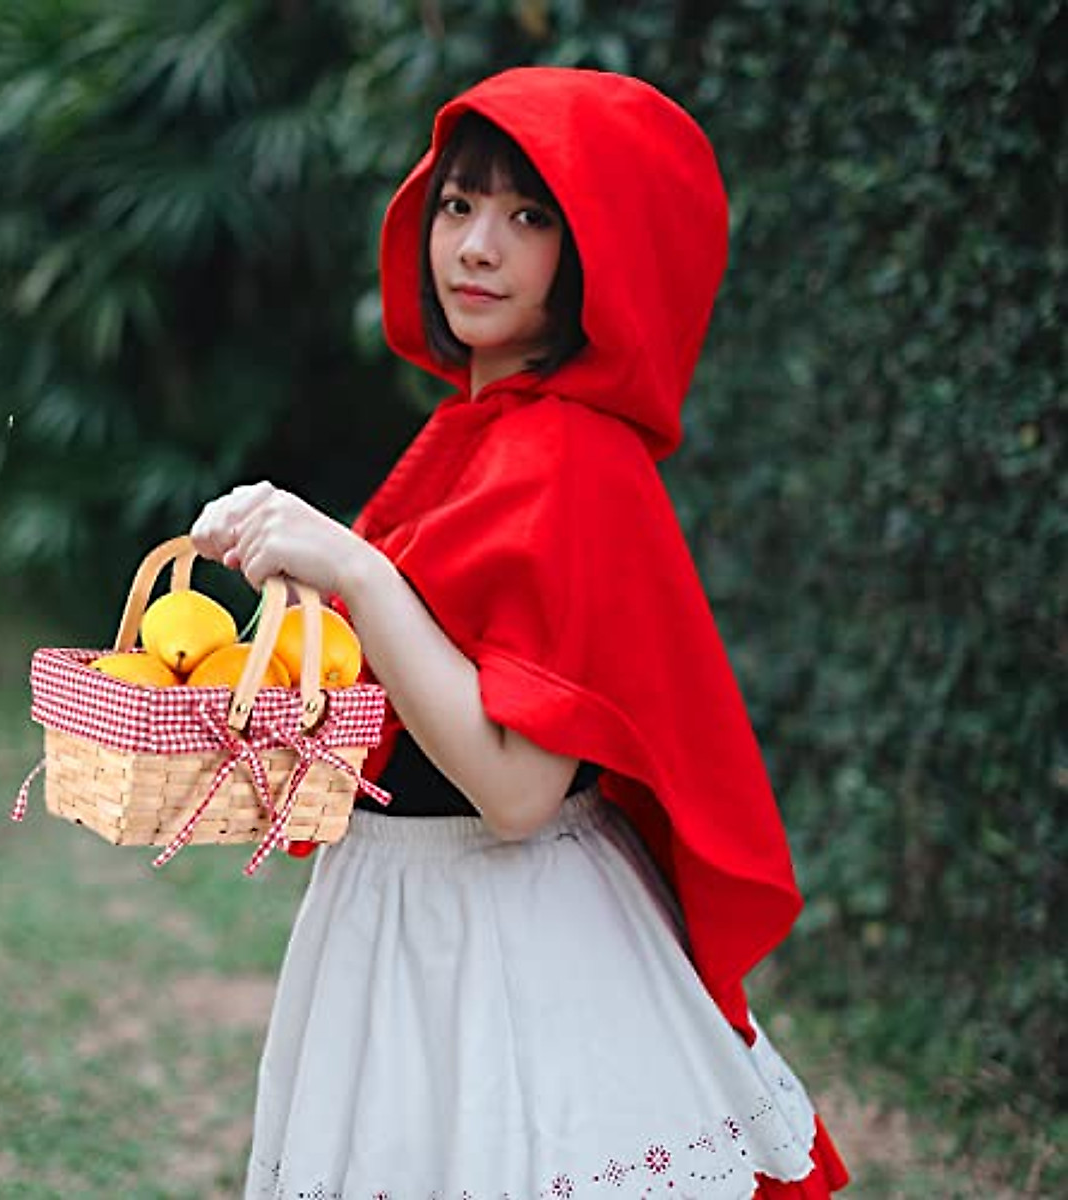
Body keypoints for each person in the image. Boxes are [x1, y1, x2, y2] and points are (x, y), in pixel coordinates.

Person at [191, 66, 850, 1199]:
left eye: (527, 216)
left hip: (507, 940)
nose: (476, 246)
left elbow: (515, 791)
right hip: (401, 914)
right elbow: (396, 692)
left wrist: (348, 558)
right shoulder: (475, 440)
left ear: (594, 250)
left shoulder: (576, 461)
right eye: (457, 205)